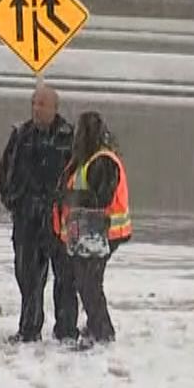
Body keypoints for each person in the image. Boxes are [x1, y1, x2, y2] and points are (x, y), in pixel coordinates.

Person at [0, 84, 76, 343]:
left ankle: (66, 329)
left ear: (55, 108)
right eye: (34, 103)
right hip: (27, 217)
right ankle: (29, 328)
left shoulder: (69, 138)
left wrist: (68, 205)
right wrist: (12, 199)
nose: (36, 109)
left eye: (42, 104)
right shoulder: (21, 136)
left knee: (65, 278)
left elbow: (79, 177)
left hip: (59, 220)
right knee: (28, 277)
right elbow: (5, 168)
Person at [53, 111, 132, 347]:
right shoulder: (85, 160)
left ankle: (102, 331)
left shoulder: (103, 160)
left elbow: (101, 198)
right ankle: (96, 328)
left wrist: (68, 197)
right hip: (88, 232)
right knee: (86, 283)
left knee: (89, 284)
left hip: (103, 232)